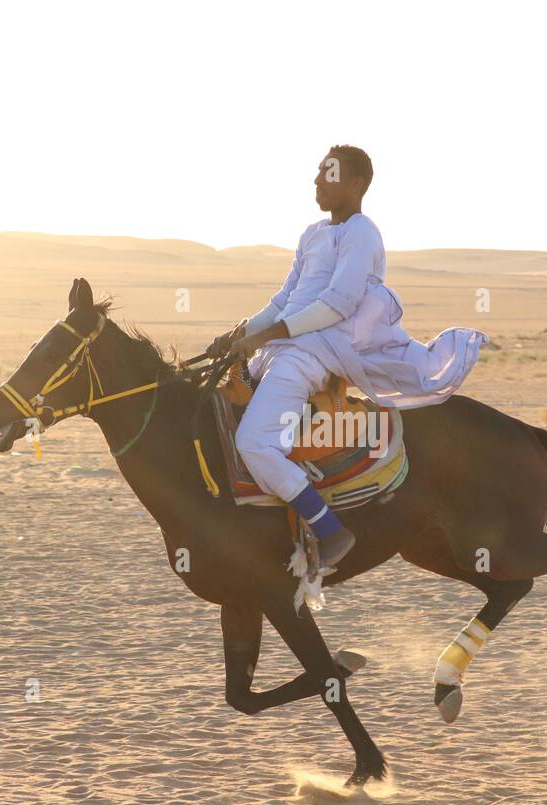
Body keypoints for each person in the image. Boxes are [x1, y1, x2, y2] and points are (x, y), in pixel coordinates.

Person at [208, 145, 487, 571]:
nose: (318, 181)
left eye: (329, 174)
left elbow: (337, 304)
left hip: (310, 355)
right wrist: (238, 335)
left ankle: (329, 530)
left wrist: (267, 335)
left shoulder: (362, 233)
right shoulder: (312, 234)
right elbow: (284, 298)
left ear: (356, 184)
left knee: (253, 442)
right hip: (278, 349)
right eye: (318, 172)